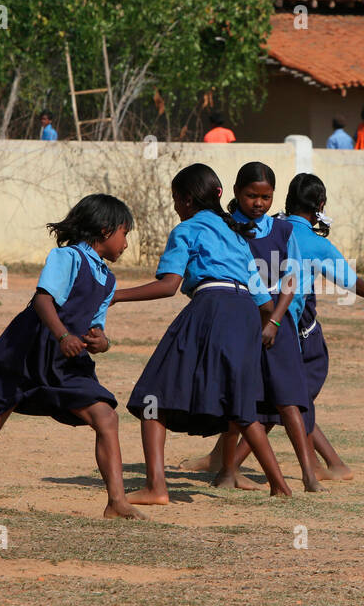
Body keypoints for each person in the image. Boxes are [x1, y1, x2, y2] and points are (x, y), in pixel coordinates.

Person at [0, 195, 144, 520]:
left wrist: (101, 341)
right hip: (23, 354)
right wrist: (62, 335)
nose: (126, 244)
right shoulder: (67, 258)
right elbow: (43, 300)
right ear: (104, 230)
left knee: (106, 417)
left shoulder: (108, 280)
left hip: (64, 364)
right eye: (124, 234)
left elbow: (96, 325)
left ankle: (116, 502)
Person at [182, 173, 364, 481]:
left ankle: (239, 462)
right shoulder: (304, 239)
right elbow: (347, 280)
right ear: (321, 205)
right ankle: (241, 466)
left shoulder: (261, 227)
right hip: (293, 329)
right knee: (285, 399)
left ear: (280, 199)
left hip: (251, 320)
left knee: (279, 398)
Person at [111, 162, 293, 503]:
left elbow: (168, 286)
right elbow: (264, 302)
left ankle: (156, 487)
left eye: (176, 201)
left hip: (211, 307)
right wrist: (272, 327)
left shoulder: (188, 229)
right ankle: (281, 487)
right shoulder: (238, 235)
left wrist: (115, 296)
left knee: (152, 396)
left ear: (187, 200)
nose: (176, 208)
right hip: (245, 316)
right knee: (241, 405)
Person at [214, 161, 319, 492]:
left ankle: (308, 474)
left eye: (266, 197)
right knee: (238, 402)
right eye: (251, 196)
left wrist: (274, 320)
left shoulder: (284, 230)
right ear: (236, 193)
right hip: (241, 321)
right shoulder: (226, 228)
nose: (258, 203)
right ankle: (227, 471)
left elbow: (291, 280)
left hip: (278, 324)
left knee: (289, 401)